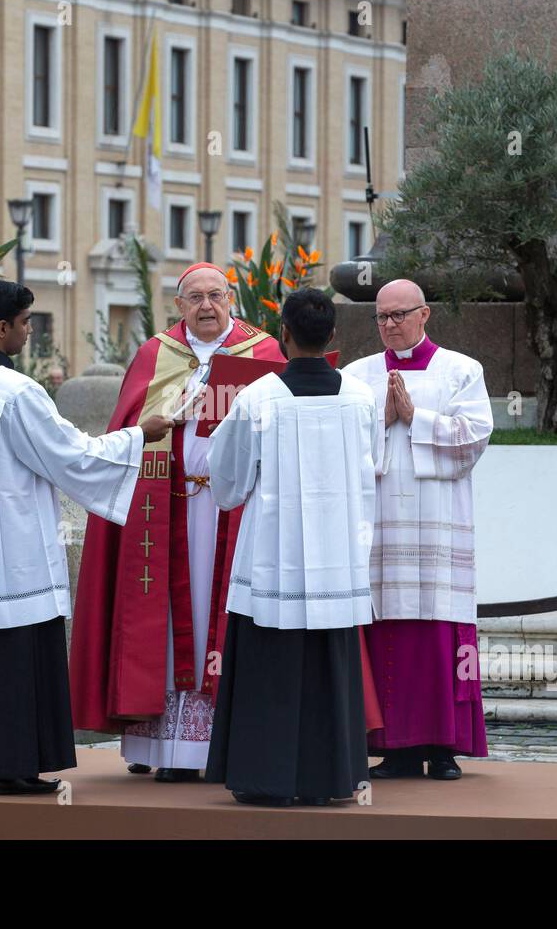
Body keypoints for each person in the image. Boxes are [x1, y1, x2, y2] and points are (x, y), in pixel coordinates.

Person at [0, 279, 173, 796]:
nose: (31, 331)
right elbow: (69, 455)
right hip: (11, 549)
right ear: (2, 327)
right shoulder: (17, 392)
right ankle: (10, 767)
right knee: (15, 657)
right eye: (26, 322)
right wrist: (137, 435)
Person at [71, 262, 284, 781]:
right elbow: (128, 424)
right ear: (179, 306)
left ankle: (225, 743)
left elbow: (284, 422)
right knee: (166, 623)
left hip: (237, 513)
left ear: (231, 298)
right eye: (195, 298)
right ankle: (165, 748)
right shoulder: (156, 352)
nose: (206, 306)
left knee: (226, 618)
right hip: (168, 513)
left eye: (215, 296)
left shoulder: (263, 352)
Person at [205, 289, 380, 806]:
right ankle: (331, 777)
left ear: (283, 335)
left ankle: (266, 778)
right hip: (338, 560)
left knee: (271, 670)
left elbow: (228, 484)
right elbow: (372, 468)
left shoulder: (258, 399)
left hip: (273, 560)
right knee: (330, 669)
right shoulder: (361, 398)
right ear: (333, 339)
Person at [342, 279, 494, 780]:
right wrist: (380, 421)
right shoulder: (355, 377)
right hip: (379, 535)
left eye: (399, 315)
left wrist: (416, 417)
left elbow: (475, 437)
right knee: (386, 635)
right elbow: (339, 449)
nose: (389, 325)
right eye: (381, 317)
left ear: (424, 314)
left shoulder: (461, 370)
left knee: (438, 637)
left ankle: (443, 748)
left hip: (438, 529)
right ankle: (396, 749)